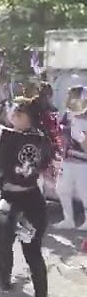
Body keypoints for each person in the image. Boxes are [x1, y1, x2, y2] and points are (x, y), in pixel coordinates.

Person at [0, 97, 54, 297]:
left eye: (17, 113)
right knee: (29, 251)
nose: (12, 116)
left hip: (15, 198)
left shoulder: (8, 136)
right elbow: (45, 162)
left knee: (10, 241)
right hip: (33, 197)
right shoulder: (42, 138)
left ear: (27, 117)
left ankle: (5, 278)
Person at [58, 85, 87, 229]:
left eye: (72, 95)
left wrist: (81, 137)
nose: (69, 98)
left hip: (83, 161)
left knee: (84, 192)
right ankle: (68, 220)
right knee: (62, 189)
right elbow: (61, 133)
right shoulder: (67, 115)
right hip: (67, 159)